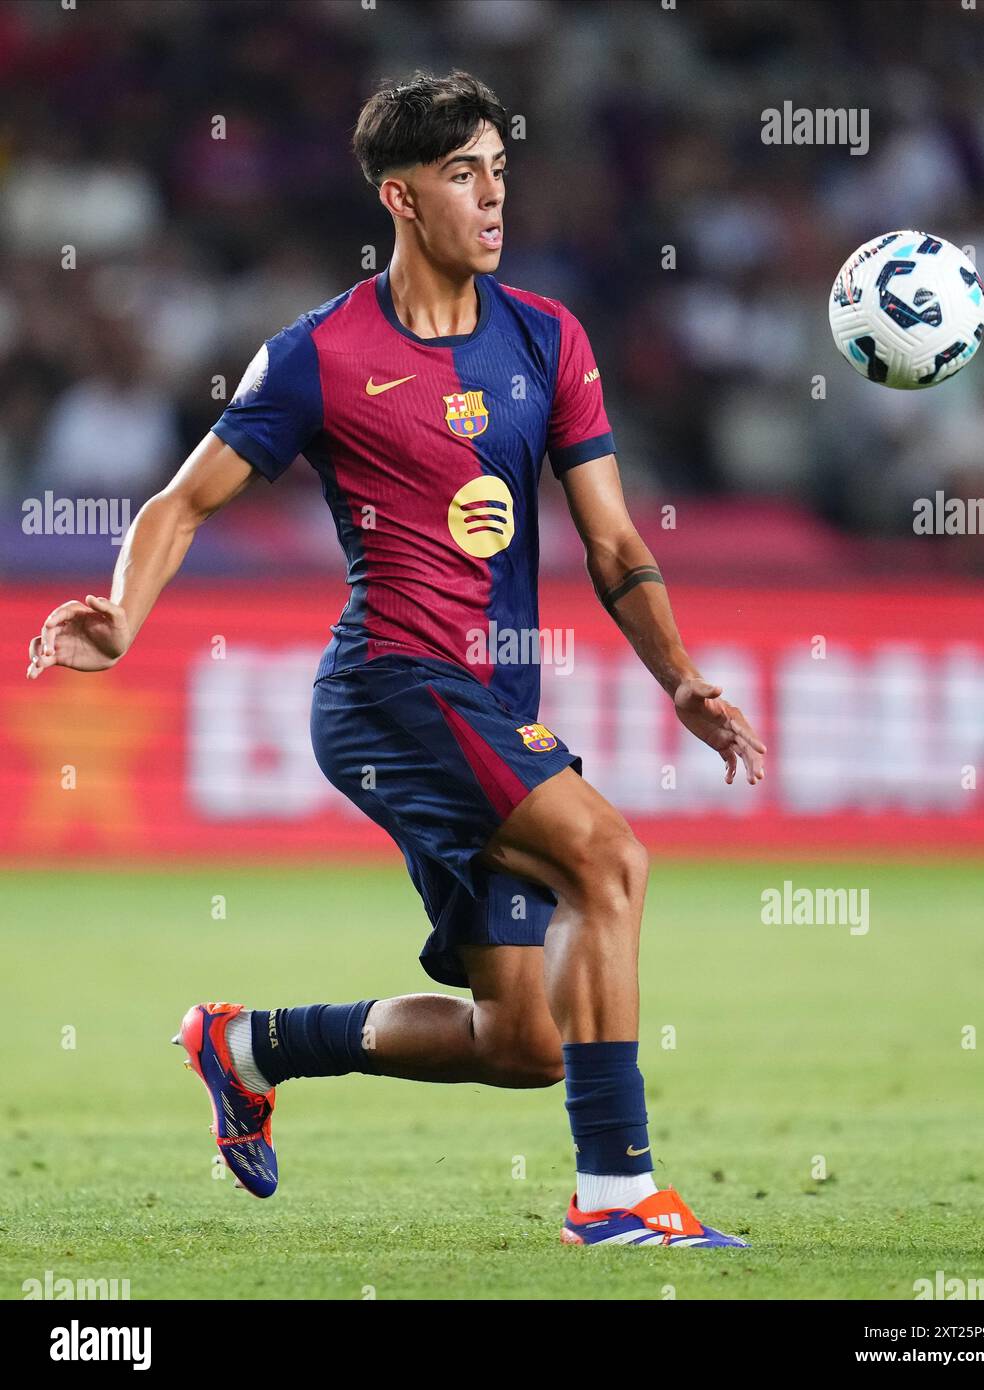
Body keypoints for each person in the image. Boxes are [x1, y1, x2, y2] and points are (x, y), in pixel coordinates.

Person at [27, 70, 766, 1249]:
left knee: (522, 1042)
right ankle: (617, 1199)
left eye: (500, 170)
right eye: (463, 173)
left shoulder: (547, 335)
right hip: (389, 687)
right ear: (401, 197)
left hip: (487, 695)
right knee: (609, 859)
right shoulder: (318, 353)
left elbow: (615, 539)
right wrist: (120, 616)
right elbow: (179, 503)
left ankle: (244, 1043)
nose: (491, 196)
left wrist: (677, 674)